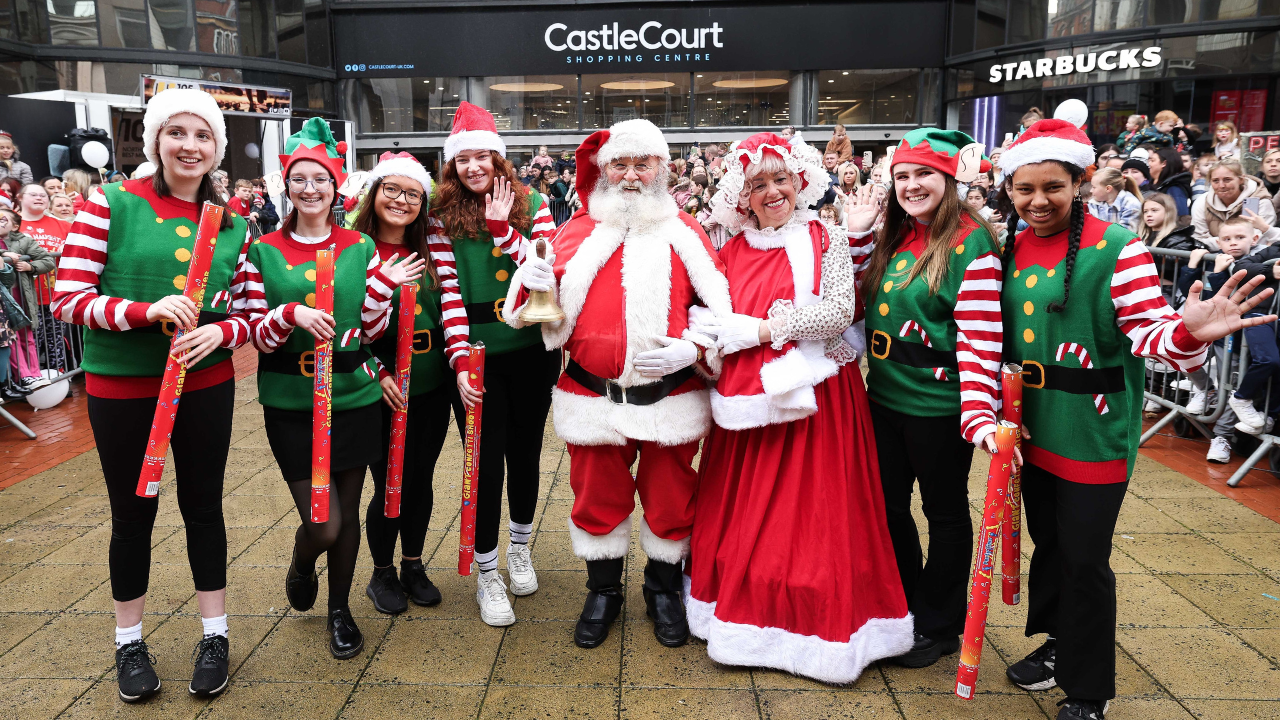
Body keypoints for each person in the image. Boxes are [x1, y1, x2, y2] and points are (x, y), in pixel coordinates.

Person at [996, 118, 1273, 720]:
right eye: (1024, 189)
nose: (1038, 201)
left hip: (1093, 431)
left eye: (1053, 187)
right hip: (1031, 428)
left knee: (1085, 557)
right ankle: (1054, 645)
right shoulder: (1008, 247)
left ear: (1080, 182)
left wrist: (1187, 333)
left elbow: (1148, 329)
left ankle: (1088, 688)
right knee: (1050, 545)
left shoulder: (1117, 248)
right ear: (1009, 191)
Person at [680, 131, 910, 682]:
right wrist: (706, 335)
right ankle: (746, 621)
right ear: (742, 194)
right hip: (748, 401)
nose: (771, 191)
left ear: (800, 180)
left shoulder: (824, 237)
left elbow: (836, 312)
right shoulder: (728, 250)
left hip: (819, 397)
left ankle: (821, 630)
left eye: (780, 179)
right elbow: (708, 315)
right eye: (758, 184)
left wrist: (759, 329)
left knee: (817, 514)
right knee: (749, 508)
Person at [52, 89, 252, 702]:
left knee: (204, 507)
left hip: (206, 385)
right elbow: (67, 298)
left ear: (216, 149)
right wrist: (143, 311)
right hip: (123, 390)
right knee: (132, 514)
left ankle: (213, 634)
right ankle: (129, 641)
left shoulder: (234, 224)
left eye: (203, 137)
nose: (190, 146)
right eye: (178, 133)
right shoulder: (109, 204)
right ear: (156, 139)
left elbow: (249, 312)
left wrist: (222, 329)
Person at [504, 119, 729, 650]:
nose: (631, 176)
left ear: (661, 169)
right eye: (620, 165)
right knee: (596, 498)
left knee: (671, 499)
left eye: (642, 164)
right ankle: (602, 591)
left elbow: (721, 313)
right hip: (592, 396)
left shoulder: (688, 232)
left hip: (670, 396)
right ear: (604, 172)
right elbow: (528, 312)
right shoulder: (575, 232)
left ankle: (663, 589)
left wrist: (695, 349)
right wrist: (530, 283)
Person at [228, 118, 422, 660]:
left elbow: (371, 330)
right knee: (322, 520)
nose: (309, 189)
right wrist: (290, 314)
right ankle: (301, 557)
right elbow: (258, 338)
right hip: (290, 398)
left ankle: (340, 609)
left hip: (352, 398)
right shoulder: (261, 249)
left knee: (349, 506)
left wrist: (384, 289)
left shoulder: (360, 246)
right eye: (299, 179)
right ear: (284, 185)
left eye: (320, 179)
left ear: (337, 187)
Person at [858, 128, 1003, 668]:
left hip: (938, 409)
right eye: (903, 175)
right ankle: (906, 603)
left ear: (949, 179)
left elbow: (982, 335)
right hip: (885, 399)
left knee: (942, 514)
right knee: (890, 508)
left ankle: (939, 623)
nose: (912, 185)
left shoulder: (972, 240)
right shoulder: (898, 234)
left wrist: (978, 412)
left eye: (924, 174)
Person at [427, 101, 559, 627]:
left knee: (526, 455)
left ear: (499, 160)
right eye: (464, 159)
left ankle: (520, 548)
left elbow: (547, 268)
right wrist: (459, 362)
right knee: (483, 464)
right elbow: (451, 295)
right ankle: (487, 572)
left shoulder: (535, 201)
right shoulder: (439, 216)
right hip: (478, 357)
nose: (474, 166)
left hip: (530, 352)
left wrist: (503, 229)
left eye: (484, 156)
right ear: (453, 165)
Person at [349, 152, 454, 614]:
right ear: (374, 195)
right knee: (388, 480)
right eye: (391, 190)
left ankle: (413, 563)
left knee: (421, 479)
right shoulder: (353, 247)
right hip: (382, 382)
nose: (401, 200)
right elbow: (347, 324)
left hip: (431, 383)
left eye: (412, 193)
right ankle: (382, 571)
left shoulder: (430, 248)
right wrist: (379, 372)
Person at [1191, 158, 1278, 250]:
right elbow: (1198, 239)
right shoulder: (1202, 202)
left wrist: (1221, 243)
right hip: (1213, 260)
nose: (1221, 186)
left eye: (1227, 180)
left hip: (1252, 259)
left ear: (1241, 180)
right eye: (1215, 181)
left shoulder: (1261, 202)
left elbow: (1258, 239)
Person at [1087, 168, 1144, 233]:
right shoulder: (1093, 203)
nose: (1091, 190)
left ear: (1108, 188)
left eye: (1094, 187)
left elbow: (1126, 234)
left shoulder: (1131, 204)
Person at [1148, 147, 1193, 220]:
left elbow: (1181, 218)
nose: (1148, 164)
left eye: (1152, 161)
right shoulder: (1150, 185)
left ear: (1164, 163)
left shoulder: (1175, 189)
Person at [1260, 148, 1280, 218]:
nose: (1273, 164)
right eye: (1268, 161)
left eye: (1279, 161)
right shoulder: (1252, 188)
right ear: (1262, 167)